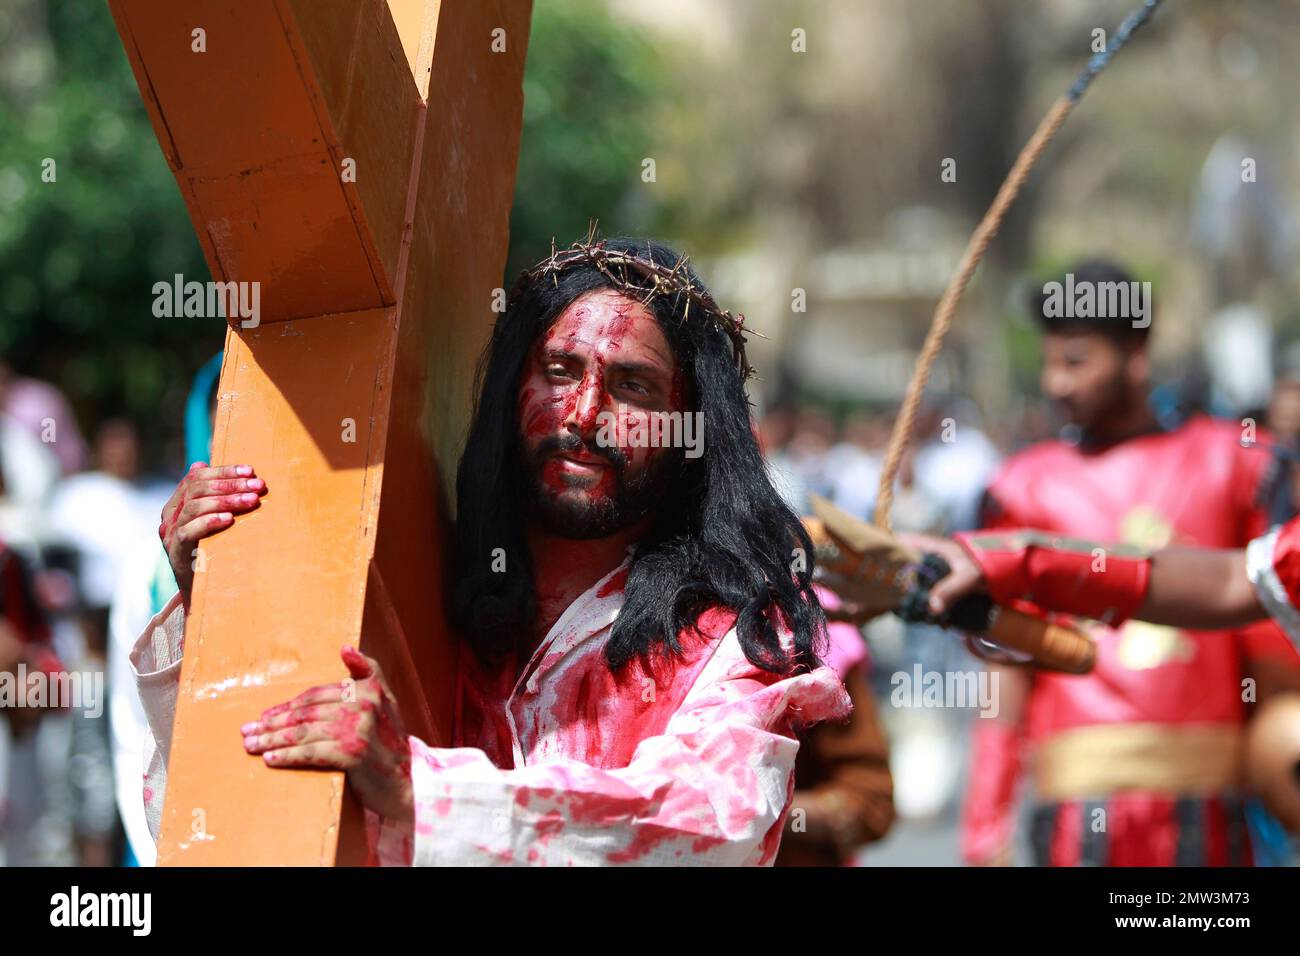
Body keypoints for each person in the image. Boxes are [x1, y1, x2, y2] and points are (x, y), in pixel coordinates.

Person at [130, 236, 850, 866]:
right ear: (513, 392)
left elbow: (710, 825)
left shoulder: (730, 638)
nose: (584, 414)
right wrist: (219, 601)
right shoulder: (415, 589)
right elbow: (212, 821)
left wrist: (420, 790)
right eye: (561, 371)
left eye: (632, 386)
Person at [956, 258, 1289, 867]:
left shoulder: (1234, 465)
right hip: (1078, 812)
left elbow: (1269, 639)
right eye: (1051, 362)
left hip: (1213, 805)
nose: (1057, 382)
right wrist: (985, 822)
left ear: (1136, 353)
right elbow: (1008, 665)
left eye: (1076, 361)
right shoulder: (1023, 487)